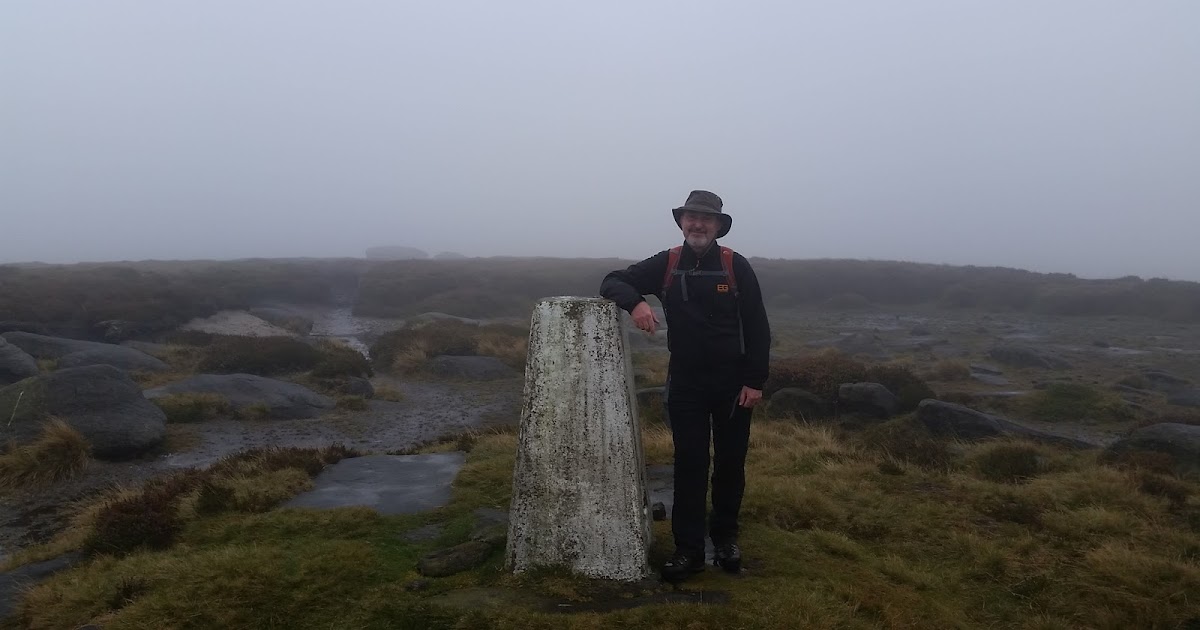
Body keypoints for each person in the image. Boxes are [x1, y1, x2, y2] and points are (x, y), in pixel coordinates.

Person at [599, 190, 771, 581]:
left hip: (733, 385)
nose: (697, 225)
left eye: (706, 219)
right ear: (681, 222)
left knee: (730, 463)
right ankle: (688, 550)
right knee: (690, 464)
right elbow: (612, 281)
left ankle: (726, 539)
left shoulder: (735, 265)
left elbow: (758, 327)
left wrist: (754, 381)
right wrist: (637, 303)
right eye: (691, 218)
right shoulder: (668, 262)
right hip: (687, 384)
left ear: (718, 226)